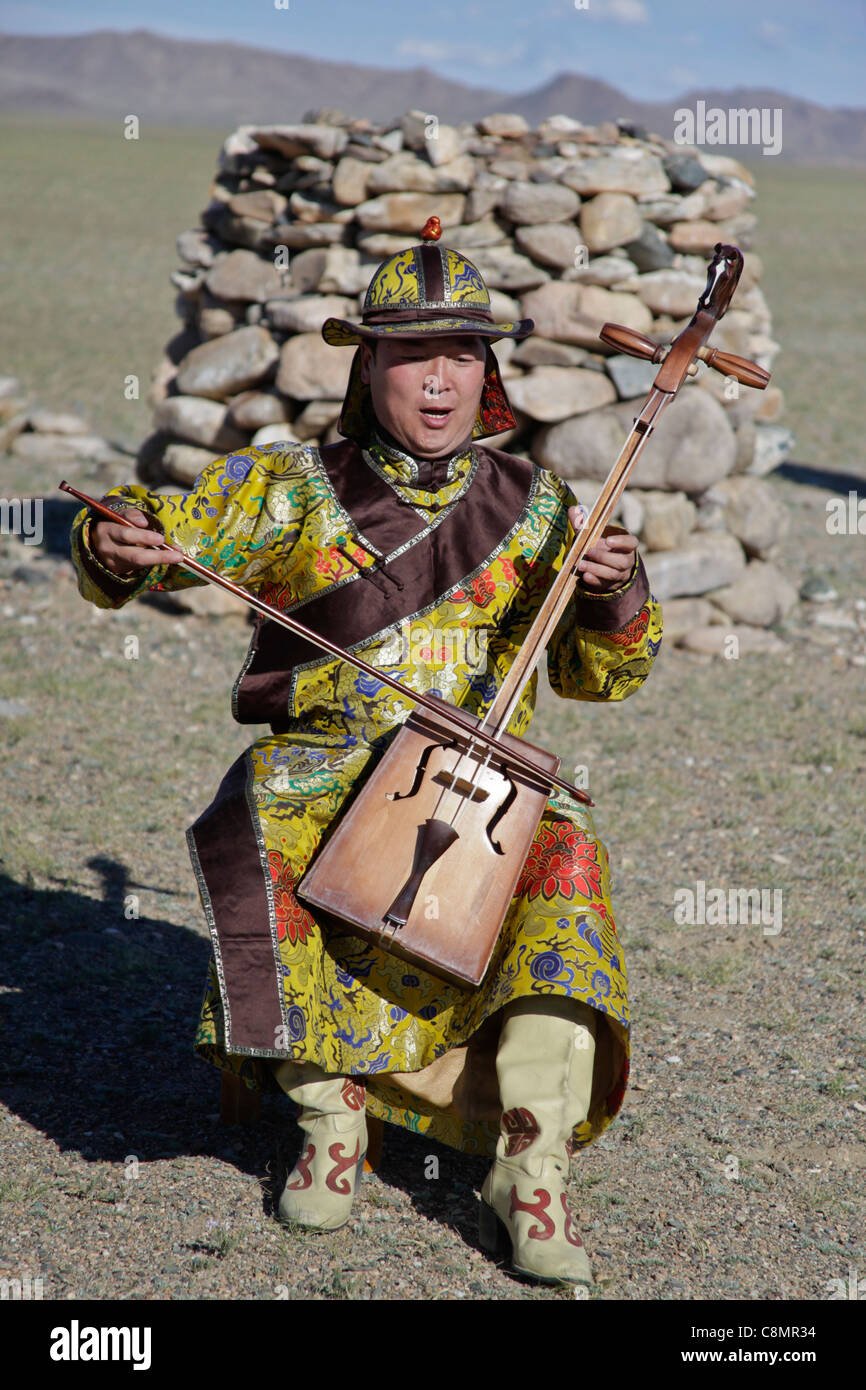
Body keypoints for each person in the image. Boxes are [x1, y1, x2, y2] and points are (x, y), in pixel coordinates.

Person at [70, 218, 662, 1286]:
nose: (436, 381)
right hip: (328, 759)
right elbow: (164, 531)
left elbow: (599, 675)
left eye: (459, 355)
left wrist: (613, 588)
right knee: (264, 808)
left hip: (479, 780)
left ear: (486, 372)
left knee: (566, 853)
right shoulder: (292, 485)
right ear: (368, 365)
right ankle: (329, 1117)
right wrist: (116, 537)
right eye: (408, 356)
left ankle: (529, 1163)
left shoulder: (536, 508)